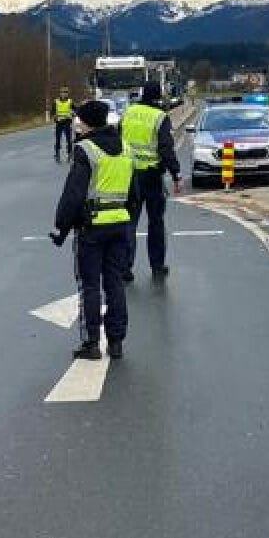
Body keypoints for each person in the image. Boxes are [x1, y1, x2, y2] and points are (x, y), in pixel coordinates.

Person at [52, 99, 140, 360]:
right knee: (115, 283)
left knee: (89, 285)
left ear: (88, 122)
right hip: (120, 224)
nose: (77, 124)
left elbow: (73, 194)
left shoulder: (85, 150)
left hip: (91, 227)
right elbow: (134, 194)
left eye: (80, 120)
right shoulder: (126, 149)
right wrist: (127, 219)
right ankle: (116, 342)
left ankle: (91, 343)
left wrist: (62, 226)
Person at [119, 80, 183, 280]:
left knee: (129, 222)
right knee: (155, 222)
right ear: (158, 97)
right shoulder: (159, 117)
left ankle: (125, 267)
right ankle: (157, 266)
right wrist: (176, 173)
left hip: (129, 175)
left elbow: (118, 140)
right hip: (152, 176)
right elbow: (165, 148)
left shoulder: (128, 112)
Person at [51, 86, 76, 163]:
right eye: (62, 92)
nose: (64, 94)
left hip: (67, 122)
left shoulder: (70, 101)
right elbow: (52, 112)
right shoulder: (56, 102)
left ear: (68, 93)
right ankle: (57, 154)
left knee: (69, 139)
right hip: (59, 123)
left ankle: (70, 154)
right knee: (58, 139)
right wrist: (55, 117)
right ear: (60, 93)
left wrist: (72, 114)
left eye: (66, 92)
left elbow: (75, 111)